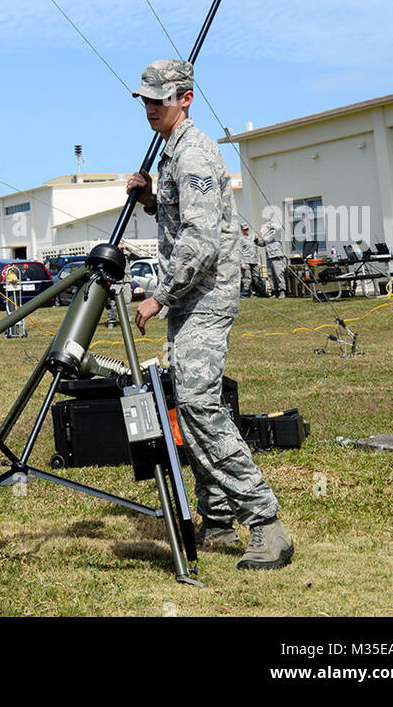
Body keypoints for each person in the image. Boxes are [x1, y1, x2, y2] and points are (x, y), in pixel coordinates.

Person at [129, 60, 294, 571]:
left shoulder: (195, 153)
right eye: (146, 99)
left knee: (198, 403)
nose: (151, 107)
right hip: (191, 299)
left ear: (186, 98)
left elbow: (200, 242)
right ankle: (217, 515)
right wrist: (153, 200)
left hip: (203, 296)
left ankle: (266, 522)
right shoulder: (175, 152)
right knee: (191, 398)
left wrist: (159, 294)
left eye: (160, 98)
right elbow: (188, 219)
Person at [261, 217, 287, 297]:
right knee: (270, 275)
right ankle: (274, 291)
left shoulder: (276, 233)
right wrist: (256, 240)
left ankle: (282, 291)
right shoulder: (267, 235)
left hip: (276, 256)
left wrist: (270, 224)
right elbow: (263, 243)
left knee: (278, 274)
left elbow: (279, 228)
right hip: (269, 256)